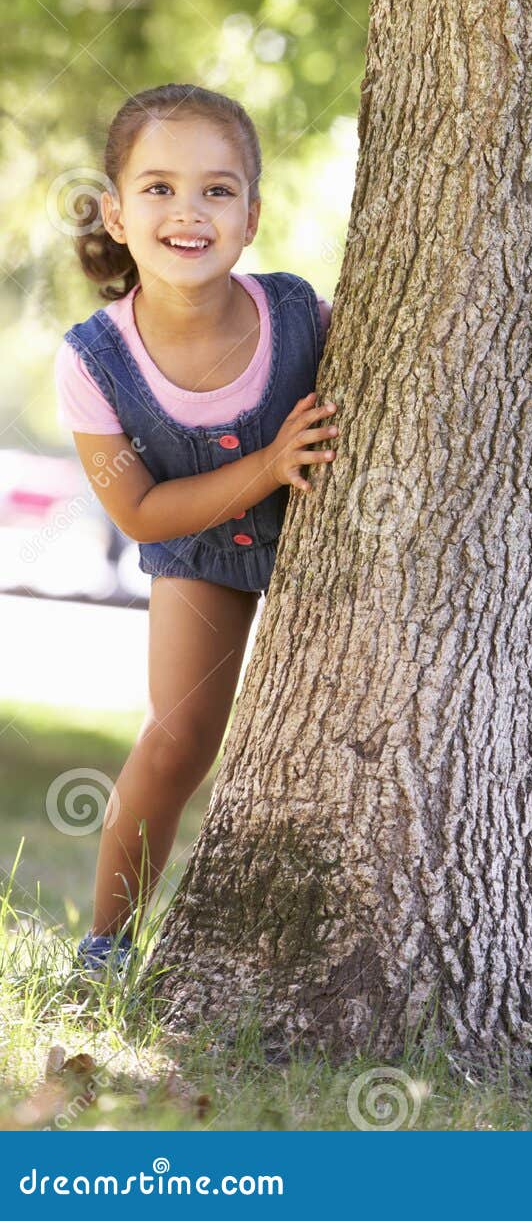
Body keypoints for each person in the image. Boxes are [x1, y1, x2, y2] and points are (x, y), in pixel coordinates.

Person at [54, 84, 340, 979]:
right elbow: (137, 510)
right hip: (198, 551)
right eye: (159, 188)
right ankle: (105, 946)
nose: (189, 211)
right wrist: (262, 467)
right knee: (178, 738)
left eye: (217, 191)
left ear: (252, 217)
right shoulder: (93, 360)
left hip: (329, 548)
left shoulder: (298, 313)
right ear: (117, 211)